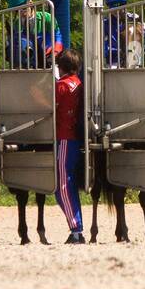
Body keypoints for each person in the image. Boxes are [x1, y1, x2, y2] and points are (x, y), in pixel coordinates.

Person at [53, 49, 86, 244]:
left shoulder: (61, 86)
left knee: (62, 186)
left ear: (61, 67)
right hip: (75, 138)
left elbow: (51, 107)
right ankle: (76, 227)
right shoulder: (79, 84)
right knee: (69, 184)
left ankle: (76, 229)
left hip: (64, 138)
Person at [6, 0, 63, 68]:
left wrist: (55, 52)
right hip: (28, 64)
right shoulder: (16, 24)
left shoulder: (47, 17)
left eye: (24, 8)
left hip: (48, 59)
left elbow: (58, 37)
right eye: (17, 9)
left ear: (30, 2)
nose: (22, 12)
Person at [102, 0, 145, 67]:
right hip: (114, 64)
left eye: (120, 4)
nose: (118, 9)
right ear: (109, 6)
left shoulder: (135, 19)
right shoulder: (104, 24)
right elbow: (102, 49)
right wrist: (119, 51)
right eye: (113, 6)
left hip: (135, 62)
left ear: (124, 4)